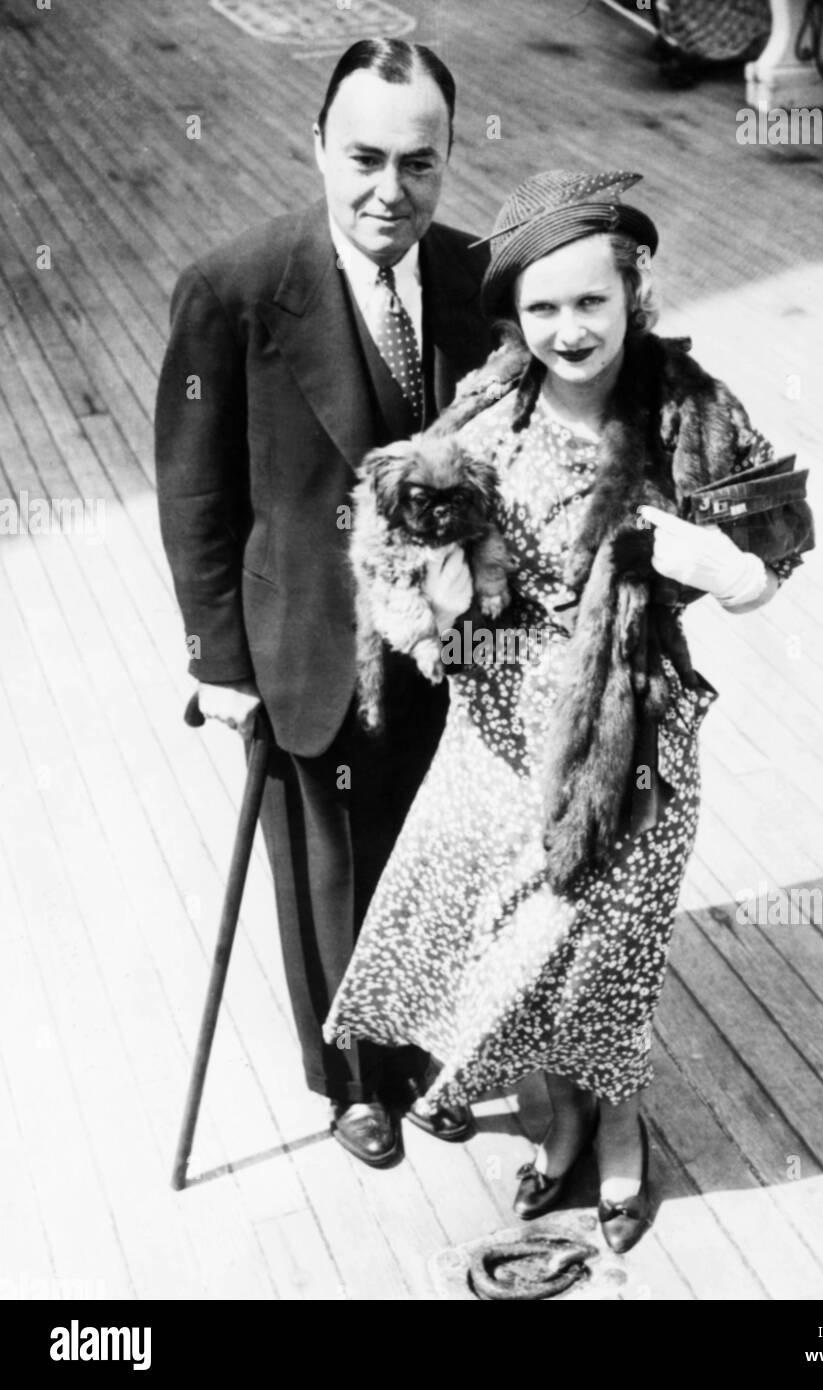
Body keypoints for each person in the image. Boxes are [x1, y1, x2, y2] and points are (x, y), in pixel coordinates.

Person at [323, 167, 812, 1249]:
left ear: (634, 293)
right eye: (542, 308)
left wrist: (711, 562)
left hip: (634, 739)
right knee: (529, 953)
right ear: (512, 316)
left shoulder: (690, 413)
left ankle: (623, 1128)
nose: (568, 328)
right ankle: (557, 1124)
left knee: (611, 949)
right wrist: (424, 614)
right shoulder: (484, 418)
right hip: (496, 741)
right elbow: (391, 540)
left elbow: (773, 561)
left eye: (591, 301)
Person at [154, 39, 492, 1168]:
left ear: (447, 161)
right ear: (316, 146)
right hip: (303, 638)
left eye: (419, 163)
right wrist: (218, 659)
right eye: (363, 158)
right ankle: (351, 1078)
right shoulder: (236, 290)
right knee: (325, 865)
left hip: (444, 646)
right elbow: (196, 487)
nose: (389, 191)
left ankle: (434, 1047)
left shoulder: (471, 278)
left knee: (434, 851)